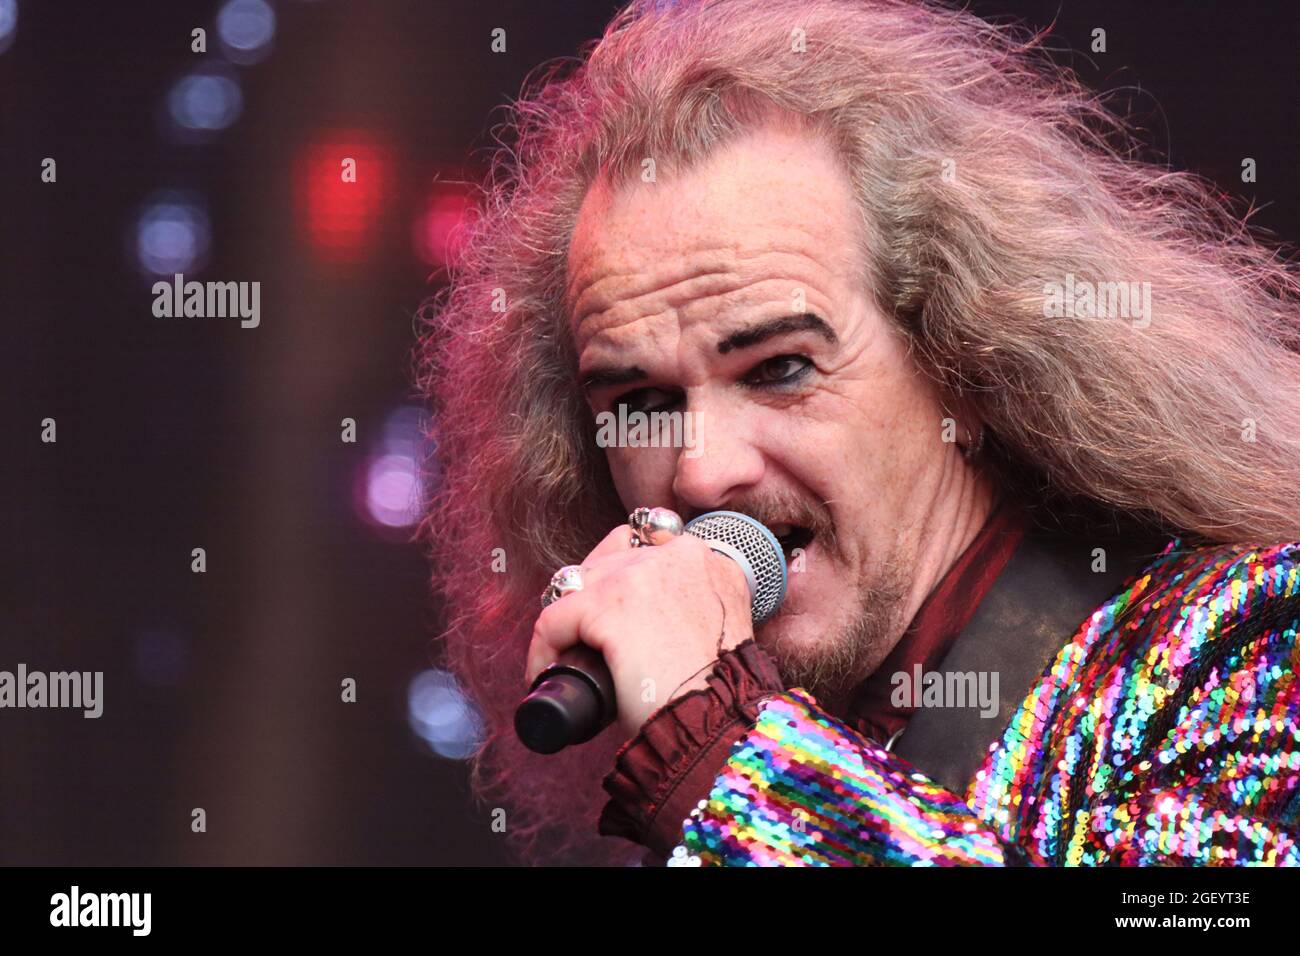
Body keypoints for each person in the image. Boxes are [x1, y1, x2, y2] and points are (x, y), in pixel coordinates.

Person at [418, 0, 1300, 865]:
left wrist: (717, 761)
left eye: (779, 368)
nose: (698, 473)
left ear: (969, 362)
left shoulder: (1253, 645)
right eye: (640, 403)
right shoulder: (703, 793)